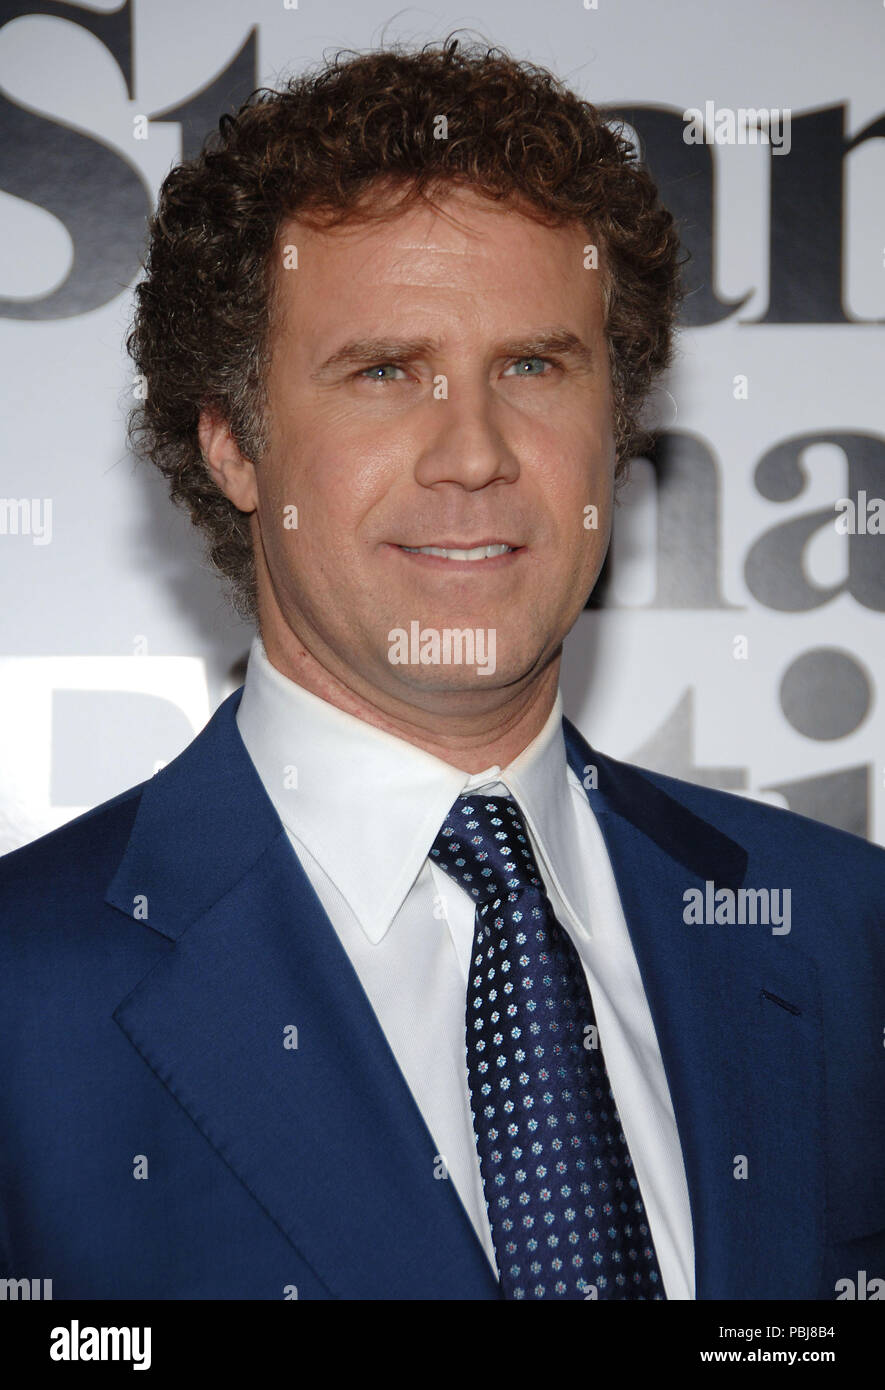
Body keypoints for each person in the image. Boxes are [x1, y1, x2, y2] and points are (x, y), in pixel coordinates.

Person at [1, 36, 882, 1303]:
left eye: (532, 365)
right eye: (382, 372)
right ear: (233, 446)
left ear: (614, 427)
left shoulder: (848, 931)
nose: (472, 453)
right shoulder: (25, 995)